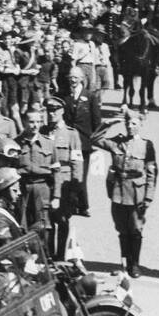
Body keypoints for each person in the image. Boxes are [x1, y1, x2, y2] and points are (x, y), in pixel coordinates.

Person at [94, 109, 158, 278]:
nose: (130, 126)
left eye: (134, 123)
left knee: (136, 230)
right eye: (128, 123)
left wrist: (149, 197)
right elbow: (95, 139)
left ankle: (134, 264)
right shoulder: (117, 142)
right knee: (122, 229)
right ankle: (124, 262)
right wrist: (108, 123)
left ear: (141, 125)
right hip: (118, 192)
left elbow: (151, 173)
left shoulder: (146, 145)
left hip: (137, 193)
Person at [14, 103, 64, 253]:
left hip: (42, 188)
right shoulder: (16, 143)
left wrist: (56, 196)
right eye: (31, 122)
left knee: (44, 224)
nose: (35, 125)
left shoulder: (49, 144)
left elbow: (57, 171)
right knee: (21, 224)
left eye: (38, 121)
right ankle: (25, 260)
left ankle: (45, 258)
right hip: (22, 188)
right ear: (24, 122)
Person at [43, 96, 82, 259]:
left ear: (62, 111)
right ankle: (49, 255)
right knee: (47, 222)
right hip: (46, 181)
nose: (51, 114)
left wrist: (75, 189)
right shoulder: (42, 131)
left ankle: (60, 255)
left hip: (65, 182)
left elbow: (77, 164)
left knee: (62, 220)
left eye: (55, 111)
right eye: (49, 111)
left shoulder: (71, 134)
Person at [61, 67, 101, 216]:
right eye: (70, 77)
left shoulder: (90, 96)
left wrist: (96, 141)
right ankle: (71, 204)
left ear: (82, 79)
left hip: (84, 142)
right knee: (68, 173)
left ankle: (83, 206)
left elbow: (97, 121)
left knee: (81, 175)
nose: (72, 80)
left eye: (76, 77)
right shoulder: (65, 96)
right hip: (67, 141)